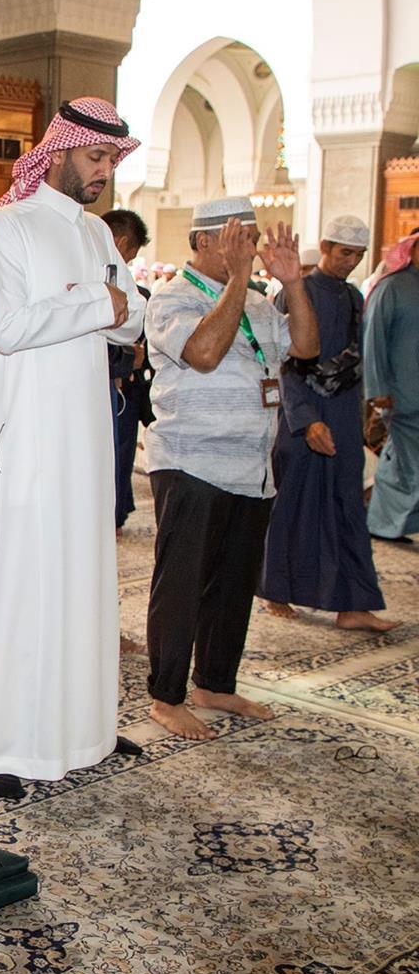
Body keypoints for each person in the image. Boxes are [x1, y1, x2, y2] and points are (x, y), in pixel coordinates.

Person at [0, 98, 147, 801]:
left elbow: (132, 322)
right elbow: (9, 329)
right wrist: (96, 304)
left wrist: (96, 306)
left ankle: (84, 731)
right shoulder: (6, 225)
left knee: (84, 576)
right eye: (96, 158)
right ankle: (6, 746)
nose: (104, 172)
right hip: (29, 440)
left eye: (112, 161)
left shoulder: (99, 234)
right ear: (62, 151)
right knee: (23, 584)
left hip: (87, 437)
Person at [142, 201, 317, 739]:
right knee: (183, 584)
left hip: (251, 465)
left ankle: (214, 682)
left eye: (253, 239)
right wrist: (240, 279)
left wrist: (293, 283)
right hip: (191, 461)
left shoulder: (261, 302)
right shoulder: (173, 298)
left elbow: (307, 347)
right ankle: (165, 696)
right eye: (240, 238)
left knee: (234, 584)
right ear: (202, 242)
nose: (250, 248)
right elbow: (203, 353)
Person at [259, 216, 396, 630]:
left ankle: (352, 604)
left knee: (347, 506)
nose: (350, 262)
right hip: (301, 415)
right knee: (293, 505)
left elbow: (355, 361)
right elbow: (286, 365)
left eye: (358, 255)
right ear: (325, 246)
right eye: (344, 253)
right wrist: (306, 421)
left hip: (343, 411)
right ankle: (275, 589)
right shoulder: (295, 293)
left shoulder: (355, 297)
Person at [364, 230, 419, 539]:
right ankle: (382, 523)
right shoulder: (392, 287)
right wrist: (377, 392)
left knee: (402, 464)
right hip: (400, 395)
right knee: (400, 462)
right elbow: (374, 341)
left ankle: (390, 523)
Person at [104, 209, 154, 535]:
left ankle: (116, 513)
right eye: (131, 255)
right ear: (120, 244)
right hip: (102, 387)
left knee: (120, 455)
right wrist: (127, 360)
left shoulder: (139, 296)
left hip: (126, 392)